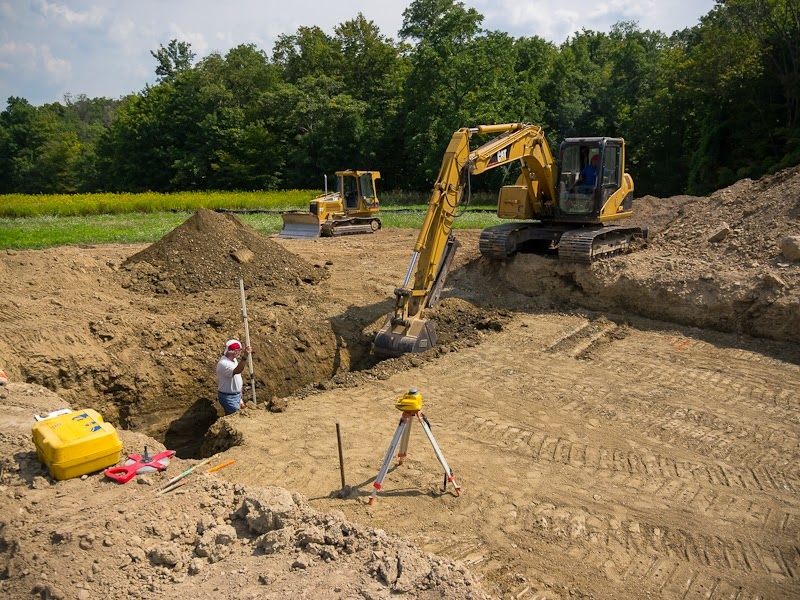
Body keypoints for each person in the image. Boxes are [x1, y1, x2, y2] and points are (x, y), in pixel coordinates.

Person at [216, 339, 252, 415]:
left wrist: (240, 399)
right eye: (239, 350)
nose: (240, 352)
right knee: (236, 418)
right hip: (228, 398)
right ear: (235, 351)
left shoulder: (233, 360)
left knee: (238, 417)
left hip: (236, 396)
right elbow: (237, 370)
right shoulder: (224, 364)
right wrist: (245, 356)